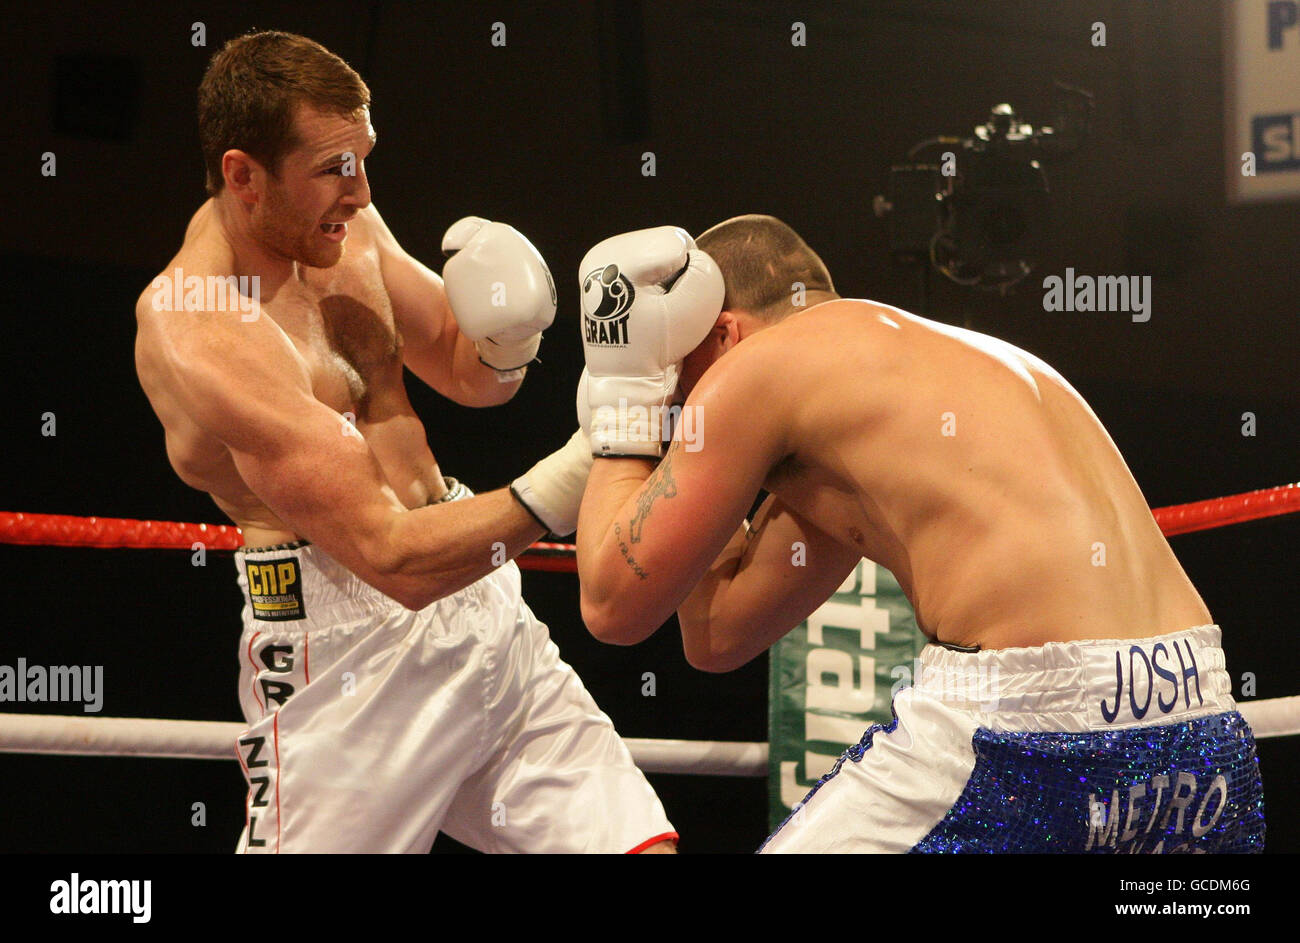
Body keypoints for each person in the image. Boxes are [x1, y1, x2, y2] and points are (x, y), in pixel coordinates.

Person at [134, 30, 675, 854]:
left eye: (363, 159)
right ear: (243, 175)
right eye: (332, 169)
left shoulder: (346, 229)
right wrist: (589, 459)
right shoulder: (200, 330)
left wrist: (510, 339)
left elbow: (465, 367)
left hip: (477, 599)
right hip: (347, 650)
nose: (360, 191)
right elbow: (388, 556)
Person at [573, 215, 1265, 853]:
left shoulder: (760, 365)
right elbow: (718, 632)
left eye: (680, 370)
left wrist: (628, 397)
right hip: (1201, 726)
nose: (680, 396)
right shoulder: (908, 384)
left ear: (723, 332)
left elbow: (612, 605)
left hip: (1028, 731)